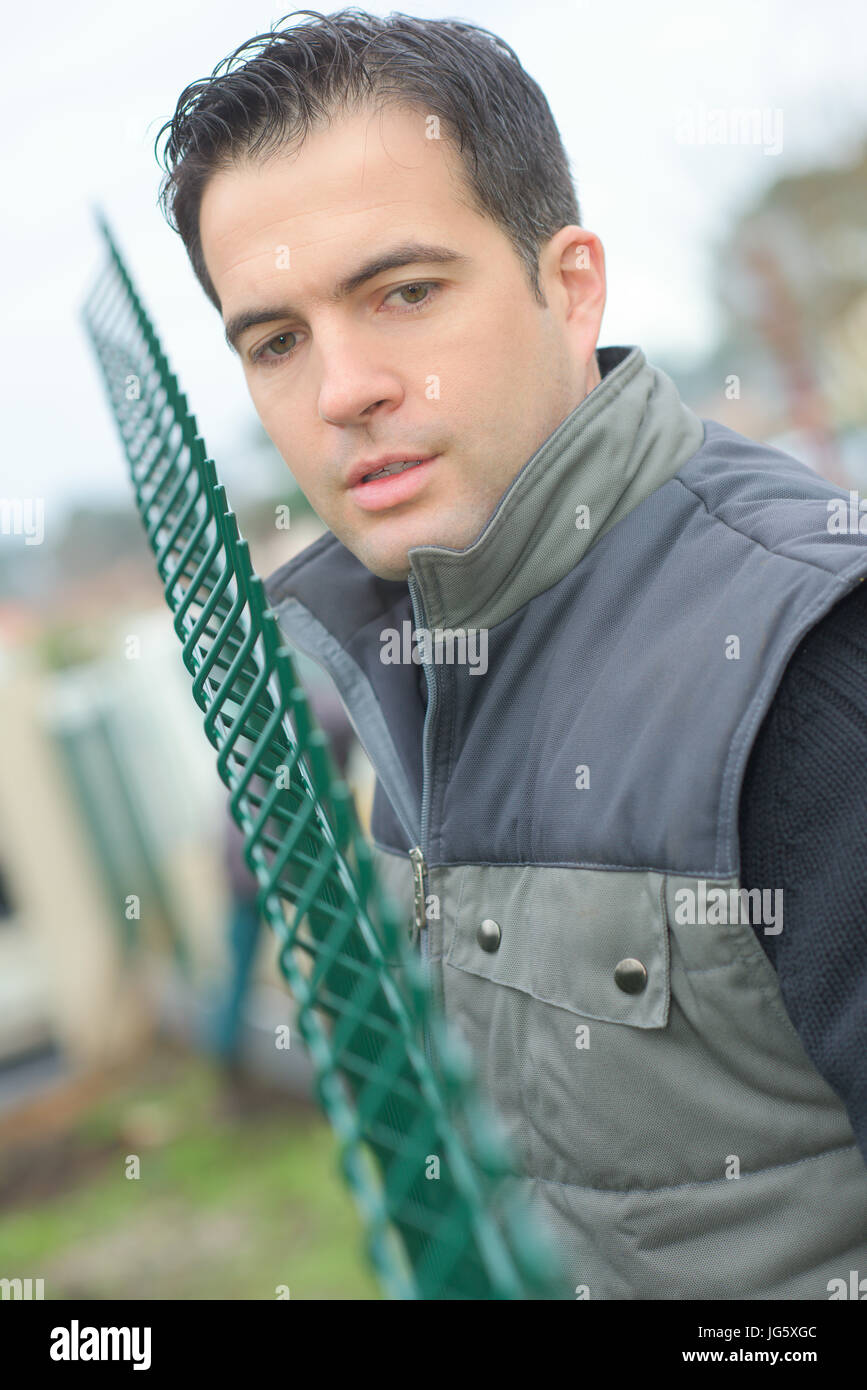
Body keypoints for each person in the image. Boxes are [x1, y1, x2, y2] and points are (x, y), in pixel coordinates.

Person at [156, 10, 867, 1300]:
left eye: (405, 293)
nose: (342, 390)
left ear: (571, 282)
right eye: (277, 340)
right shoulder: (412, 637)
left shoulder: (809, 666)